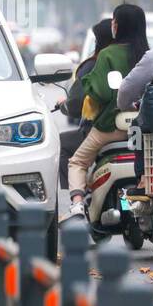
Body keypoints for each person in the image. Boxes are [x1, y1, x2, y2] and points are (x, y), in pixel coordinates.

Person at [66, 3, 149, 218]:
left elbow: (101, 93)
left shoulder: (108, 54)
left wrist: (89, 83)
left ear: (118, 26)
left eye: (114, 21)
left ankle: (77, 203)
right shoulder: (149, 54)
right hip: (146, 128)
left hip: (110, 127)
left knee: (77, 162)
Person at [56, 18, 113, 190]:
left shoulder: (94, 65)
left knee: (64, 146)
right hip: (133, 132)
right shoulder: (137, 58)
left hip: (101, 130)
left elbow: (75, 104)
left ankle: (77, 199)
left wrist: (63, 105)